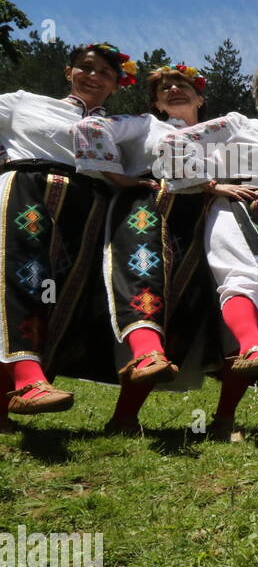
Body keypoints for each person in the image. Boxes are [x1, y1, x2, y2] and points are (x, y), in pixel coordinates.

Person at [158, 60, 258, 441]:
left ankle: (225, 418)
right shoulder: (236, 125)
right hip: (238, 204)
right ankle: (125, 416)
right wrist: (211, 183)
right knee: (238, 280)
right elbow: (174, 143)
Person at [0, 42, 134, 423]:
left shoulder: (119, 127)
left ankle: (8, 401)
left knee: (60, 295)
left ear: (116, 85)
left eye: (105, 73)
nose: (94, 76)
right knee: (21, 278)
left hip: (87, 207)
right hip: (27, 186)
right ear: (68, 71)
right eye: (85, 68)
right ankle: (27, 380)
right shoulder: (24, 102)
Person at [71, 62, 208, 434]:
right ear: (158, 103)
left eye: (183, 85)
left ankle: (125, 416)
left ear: (200, 96)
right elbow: (90, 126)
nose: (174, 91)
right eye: (166, 89)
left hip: (198, 219)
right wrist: (118, 176)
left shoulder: (219, 135)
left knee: (179, 309)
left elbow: (248, 174)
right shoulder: (146, 124)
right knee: (142, 285)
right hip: (145, 206)